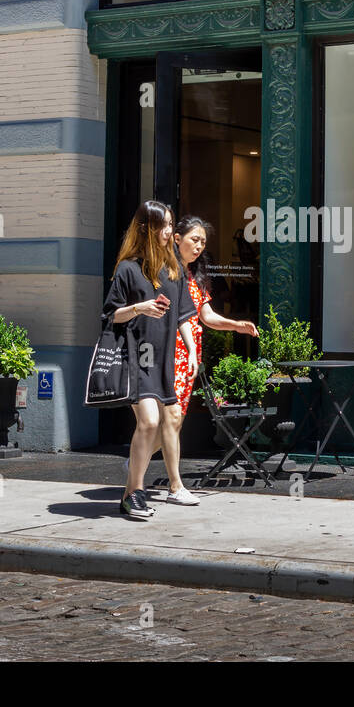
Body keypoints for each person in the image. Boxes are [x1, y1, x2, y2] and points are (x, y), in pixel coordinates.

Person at [102, 200, 197, 521]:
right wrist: (139, 308)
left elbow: (184, 314)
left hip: (163, 361)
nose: (171, 231)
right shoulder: (128, 269)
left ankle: (132, 493)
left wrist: (192, 350)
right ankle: (137, 491)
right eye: (165, 225)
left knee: (169, 419)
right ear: (147, 229)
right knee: (149, 421)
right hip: (135, 357)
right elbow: (110, 315)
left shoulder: (174, 270)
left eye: (171, 224)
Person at [162, 217, 259, 503]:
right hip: (169, 352)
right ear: (177, 238)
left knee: (172, 420)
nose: (199, 246)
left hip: (188, 357)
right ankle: (175, 486)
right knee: (172, 418)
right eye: (195, 239)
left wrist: (236, 324)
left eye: (203, 242)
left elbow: (207, 317)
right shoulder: (167, 273)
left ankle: (138, 459)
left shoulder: (195, 276)